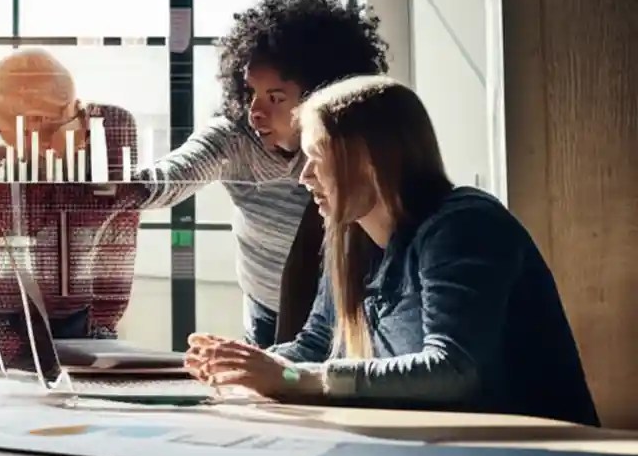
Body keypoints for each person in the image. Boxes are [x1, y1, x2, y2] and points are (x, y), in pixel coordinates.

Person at [184, 76, 600, 427]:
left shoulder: (465, 226)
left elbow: (454, 371)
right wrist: (239, 366)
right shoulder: (350, 236)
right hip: (440, 454)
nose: (304, 177)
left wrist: (292, 378)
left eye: (315, 157)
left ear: (367, 159)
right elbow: (313, 346)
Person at [125, 0, 389, 347]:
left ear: (319, 95)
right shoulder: (234, 138)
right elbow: (175, 174)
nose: (255, 111)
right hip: (264, 309)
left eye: (275, 98)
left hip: (344, 307)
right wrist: (125, 189)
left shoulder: (350, 152)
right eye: (250, 93)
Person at [0, 48, 139, 369]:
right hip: (7, 339)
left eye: (53, 128)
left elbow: (90, 217)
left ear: (75, 107)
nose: (48, 147)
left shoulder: (111, 133)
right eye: (29, 135)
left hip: (85, 331)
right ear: (4, 134)